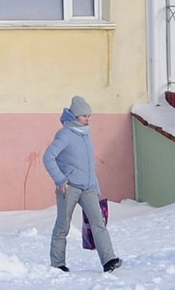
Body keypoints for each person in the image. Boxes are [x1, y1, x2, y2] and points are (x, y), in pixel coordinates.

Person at [43, 96, 122, 274]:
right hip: (68, 187)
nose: (87, 119)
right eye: (84, 115)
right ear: (74, 116)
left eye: (89, 115)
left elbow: (89, 164)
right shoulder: (65, 135)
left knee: (98, 223)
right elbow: (48, 157)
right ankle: (58, 264)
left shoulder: (86, 134)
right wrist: (60, 179)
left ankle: (109, 260)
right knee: (63, 226)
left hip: (88, 188)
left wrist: (96, 186)